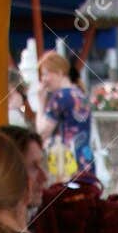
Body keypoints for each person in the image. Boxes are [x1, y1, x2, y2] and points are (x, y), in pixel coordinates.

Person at [37, 50, 94, 181]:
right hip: (86, 159)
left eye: (45, 74)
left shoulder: (60, 96)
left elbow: (42, 132)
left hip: (67, 163)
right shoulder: (80, 94)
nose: (43, 80)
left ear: (59, 72)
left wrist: (40, 102)